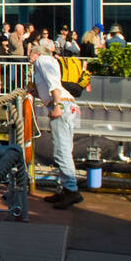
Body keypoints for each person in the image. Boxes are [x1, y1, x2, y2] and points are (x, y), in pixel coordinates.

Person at [29, 41, 82, 208]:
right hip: (65, 104)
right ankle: (64, 189)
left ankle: (71, 190)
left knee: (62, 150)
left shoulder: (42, 61)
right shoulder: (46, 63)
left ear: (36, 53)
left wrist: (57, 106)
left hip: (62, 105)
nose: (28, 55)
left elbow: (53, 83)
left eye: (30, 52)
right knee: (64, 149)